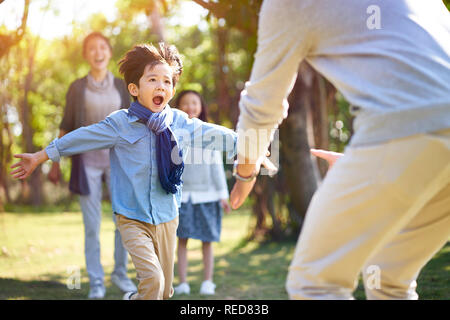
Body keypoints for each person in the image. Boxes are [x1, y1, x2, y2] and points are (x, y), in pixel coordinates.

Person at [230, 0, 450, 299]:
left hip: (404, 130)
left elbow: (262, 104)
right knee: (388, 279)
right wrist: (368, 164)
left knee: (316, 283)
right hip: (412, 137)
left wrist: (246, 173)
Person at [10, 42, 251, 300]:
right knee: (153, 279)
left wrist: (250, 145)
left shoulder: (179, 122)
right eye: (153, 79)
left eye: (167, 81)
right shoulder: (120, 124)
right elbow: (82, 137)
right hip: (132, 216)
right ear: (134, 88)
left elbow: (212, 134)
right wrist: (41, 156)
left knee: (164, 291)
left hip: (168, 216)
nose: (161, 86)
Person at [47, 31, 135, 299]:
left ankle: (120, 273)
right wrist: (54, 159)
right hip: (86, 163)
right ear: (86, 55)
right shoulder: (77, 87)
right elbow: (66, 125)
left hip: (118, 162)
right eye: (92, 49)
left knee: (123, 219)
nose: (98, 53)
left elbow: (135, 122)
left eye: (102, 48)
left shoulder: (122, 86)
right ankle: (96, 282)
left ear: (109, 53)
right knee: (92, 225)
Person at [173, 90, 232, 296]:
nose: (190, 107)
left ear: (201, 107)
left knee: (207, 241)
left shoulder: (209, 133)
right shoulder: (172, 133)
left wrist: (222, 195)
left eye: (194, 103)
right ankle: (182, 283)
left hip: (207, 195)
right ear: (177, 107)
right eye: (185, 103)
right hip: (183, 197)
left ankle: (208, 281)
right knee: (181, 240)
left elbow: (216, 166)